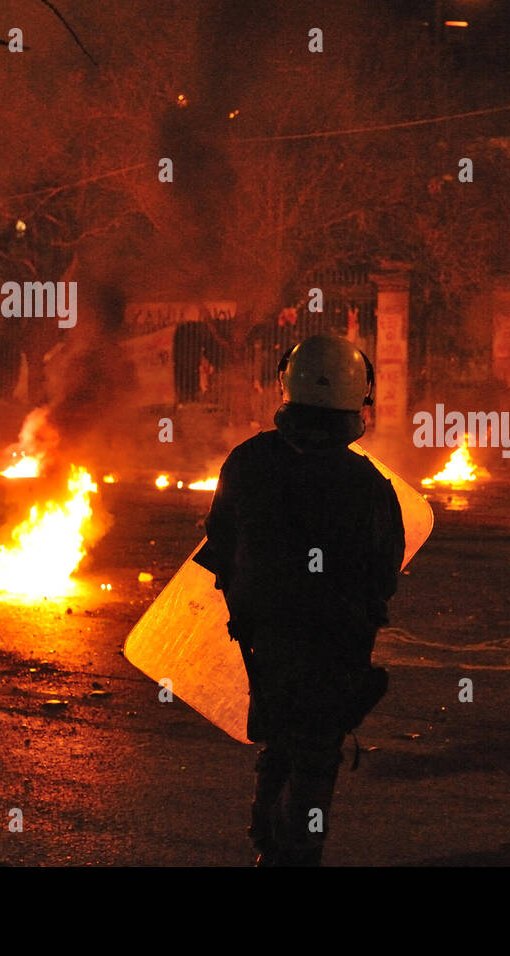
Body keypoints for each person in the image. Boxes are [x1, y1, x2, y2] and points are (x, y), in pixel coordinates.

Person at [198, 335, 404, 865]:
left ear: (286, 384)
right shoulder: (369, 484)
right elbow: (383, 574)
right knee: (315, 753)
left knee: (280, 738)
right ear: (359, 397)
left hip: (261, 636)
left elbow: (219, 545)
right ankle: (295, 852)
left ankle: (268, 843)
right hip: (334, 645)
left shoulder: (247, 462)